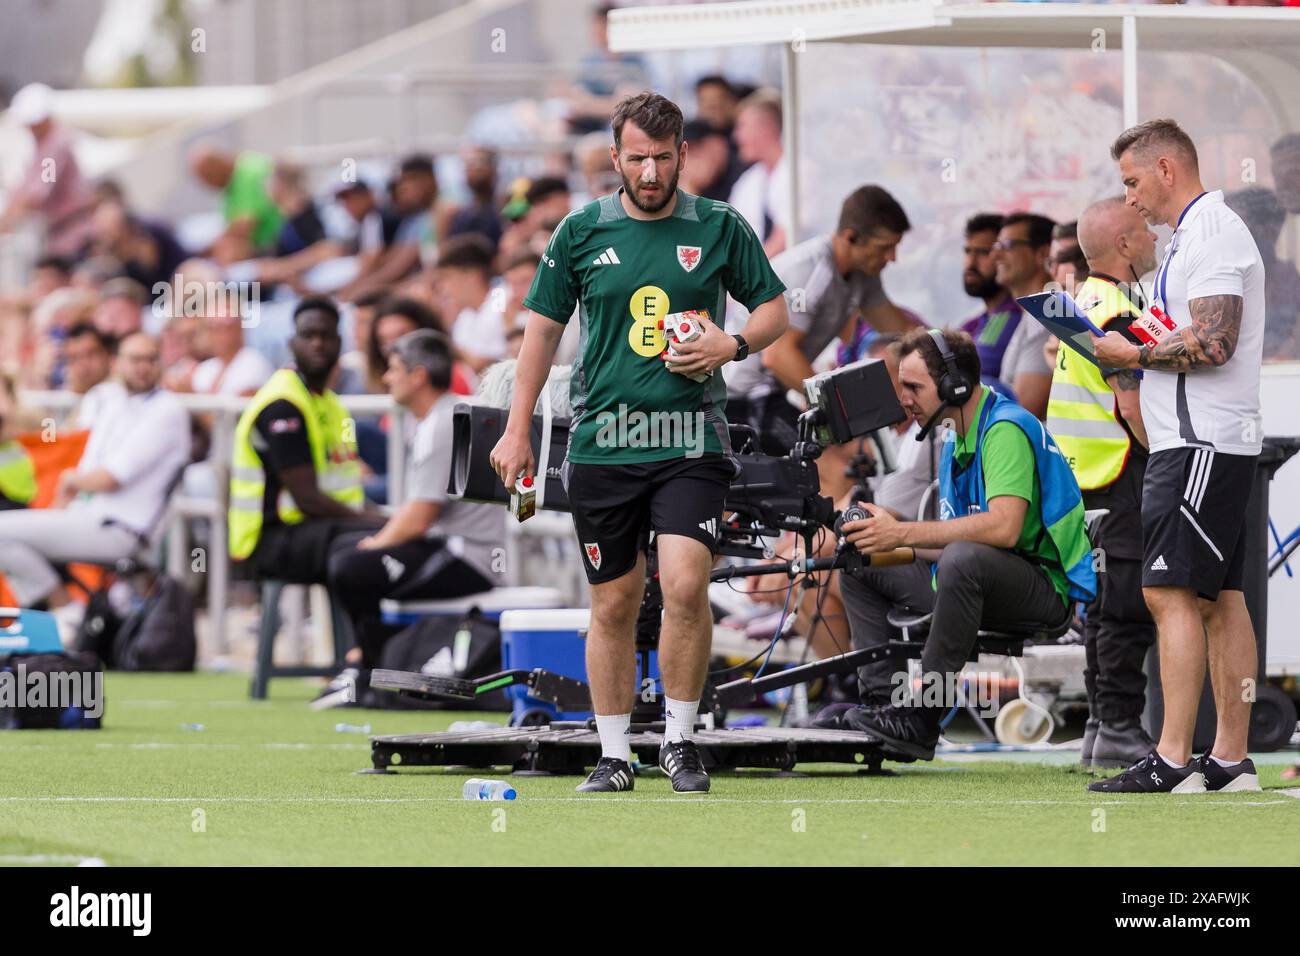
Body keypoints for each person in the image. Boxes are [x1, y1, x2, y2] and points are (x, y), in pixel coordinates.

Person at [490, 91, 788, 793]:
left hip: (691, 439)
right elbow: (541, 329)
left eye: (662, 158)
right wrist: (517, 427)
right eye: (636, 158)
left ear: (683, 155)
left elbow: (774, 307)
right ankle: (616, 754)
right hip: (602, 443)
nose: (650, 172)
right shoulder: (580, 231)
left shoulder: (720, 226)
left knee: (685, 583)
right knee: (614, 604)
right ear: (615, 158)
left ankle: (681, 742)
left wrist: (731, 342)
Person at [1091, 119, 1266, 794]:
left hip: (1199, 445)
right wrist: (1120, 340)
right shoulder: (1192, 238)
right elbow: (1192, 333)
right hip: (1205, 442)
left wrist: (1131, 353)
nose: (1129, 199)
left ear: (1167, 170)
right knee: (1221, 599)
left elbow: (1216, 342)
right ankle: (1227, 761)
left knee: (1169, 594)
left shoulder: (1215, 231)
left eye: (1132, 182)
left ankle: (1172, 761)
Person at [835, 328, 1095, 757]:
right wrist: (885, 543)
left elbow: (1002, 529)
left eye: (913, 387)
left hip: (1044, 592)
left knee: (962, 560)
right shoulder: (955, 436)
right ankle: (885, 708)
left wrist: (903, 533)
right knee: (862, 564)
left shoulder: (1005, 429)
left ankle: (922, 718)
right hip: (974, 577)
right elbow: (956, 543)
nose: (903, 400)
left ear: (954, 385)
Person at [322, 330, 505, 704]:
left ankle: (366, 668)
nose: (387, 378)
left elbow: (422, 515)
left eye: (393, 369)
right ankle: (365, 662)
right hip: (447, 546)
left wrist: (375, 543)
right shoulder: (438, 417)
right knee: (344, 552)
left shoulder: (441, 423)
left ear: (418, 375)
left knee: (350, 566)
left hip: (467, 557)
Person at [1048, 196, 1158, 769]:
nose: (1155, 238)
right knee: (1127, 608)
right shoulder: (1117, 310)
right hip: (1117, 474)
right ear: (1123, 244)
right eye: (1144, 230)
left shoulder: (1080, 301)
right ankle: (1117, 725)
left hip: (1081, 480)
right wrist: (1162, 453)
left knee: (1103, 607)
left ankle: (1100, 725)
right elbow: (1133, 406)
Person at [0, 332, 192, 611]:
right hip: (86, 517)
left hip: (122, 530)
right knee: (11, 540)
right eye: (135, 359)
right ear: (117, 362)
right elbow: (82, 462)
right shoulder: (112, 401)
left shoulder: (167, 410)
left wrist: (71, 482)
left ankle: (66, 612)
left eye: (150, 359)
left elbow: (109, 478)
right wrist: (64, 496)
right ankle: (62, 613)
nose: (143, 367)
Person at [728, 184, 917, 457]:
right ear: (850, 237)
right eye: (884, 248)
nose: (892, 258)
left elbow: (899, 330)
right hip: (744, 397)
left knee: (851, 455)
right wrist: (843, 409)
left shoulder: (863, 274)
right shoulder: (811, 272)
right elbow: (777, 356)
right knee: (835, 460)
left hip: (772, 393)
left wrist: (944, 349)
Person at [228, 296, 381, 585]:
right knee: (375, 543)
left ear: (339, 342)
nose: (317, 344)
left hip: (315, 527)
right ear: (291, 343)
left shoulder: (332, 404)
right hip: (272, 537)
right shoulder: (283, 404)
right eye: (308, 336)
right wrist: (378, 523)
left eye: (325, 336)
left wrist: (384, 520)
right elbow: (307, 500)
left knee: (389, 538)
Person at [0, 83, 96, 258]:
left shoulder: (56, 146)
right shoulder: (44, 147)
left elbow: (38, 193)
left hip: (72, 235)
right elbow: (25, 189)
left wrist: (7, 221)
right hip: (61, 232)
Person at [986, 212, 1057, 418]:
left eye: (1007, 245)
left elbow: (1022, 411)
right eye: (996, 247)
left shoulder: (1045, 317)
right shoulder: (1031, 315)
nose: (995, 255)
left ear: (1043, 253)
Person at [728, 89, 790, 258]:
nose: (736, 136)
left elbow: (784, 238)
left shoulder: (799, 173)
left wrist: (749, 275)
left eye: (742, 126)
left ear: (766, 128)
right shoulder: (748, 182)